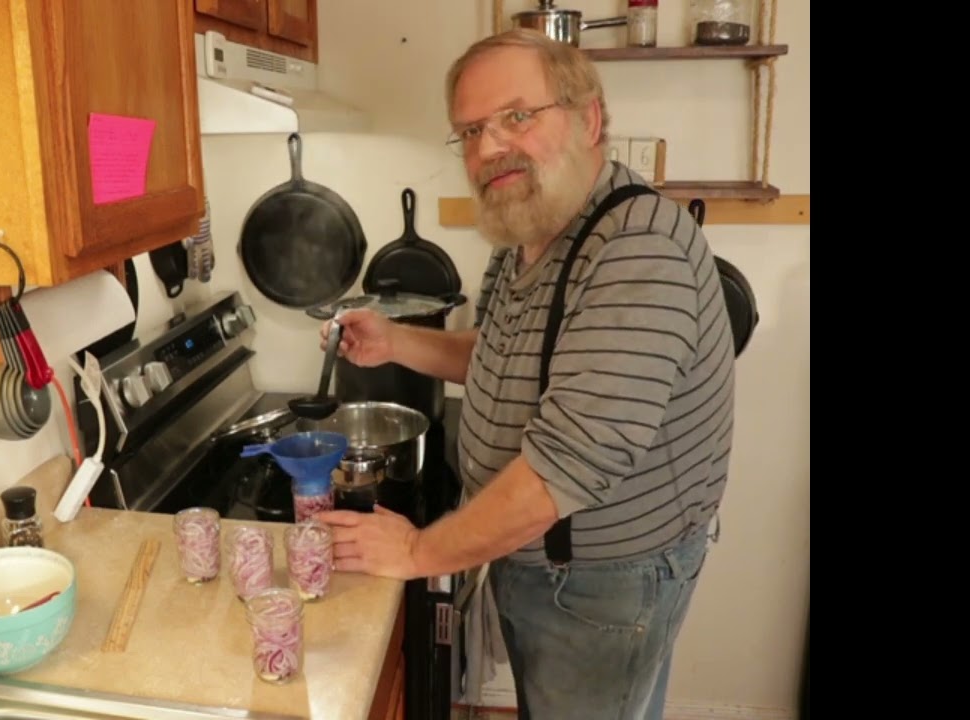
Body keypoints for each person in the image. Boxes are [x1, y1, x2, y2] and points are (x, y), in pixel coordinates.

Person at [315, 29, 736, 720]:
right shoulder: (532, 226)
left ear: (588, 118)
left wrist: (417, 550)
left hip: (602, 586)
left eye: (516, 116)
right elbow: (507, 354)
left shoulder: (638, 248)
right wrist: (395, 343)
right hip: (545, 565)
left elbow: (562, 471)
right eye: (470, 130)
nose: (488, 148)